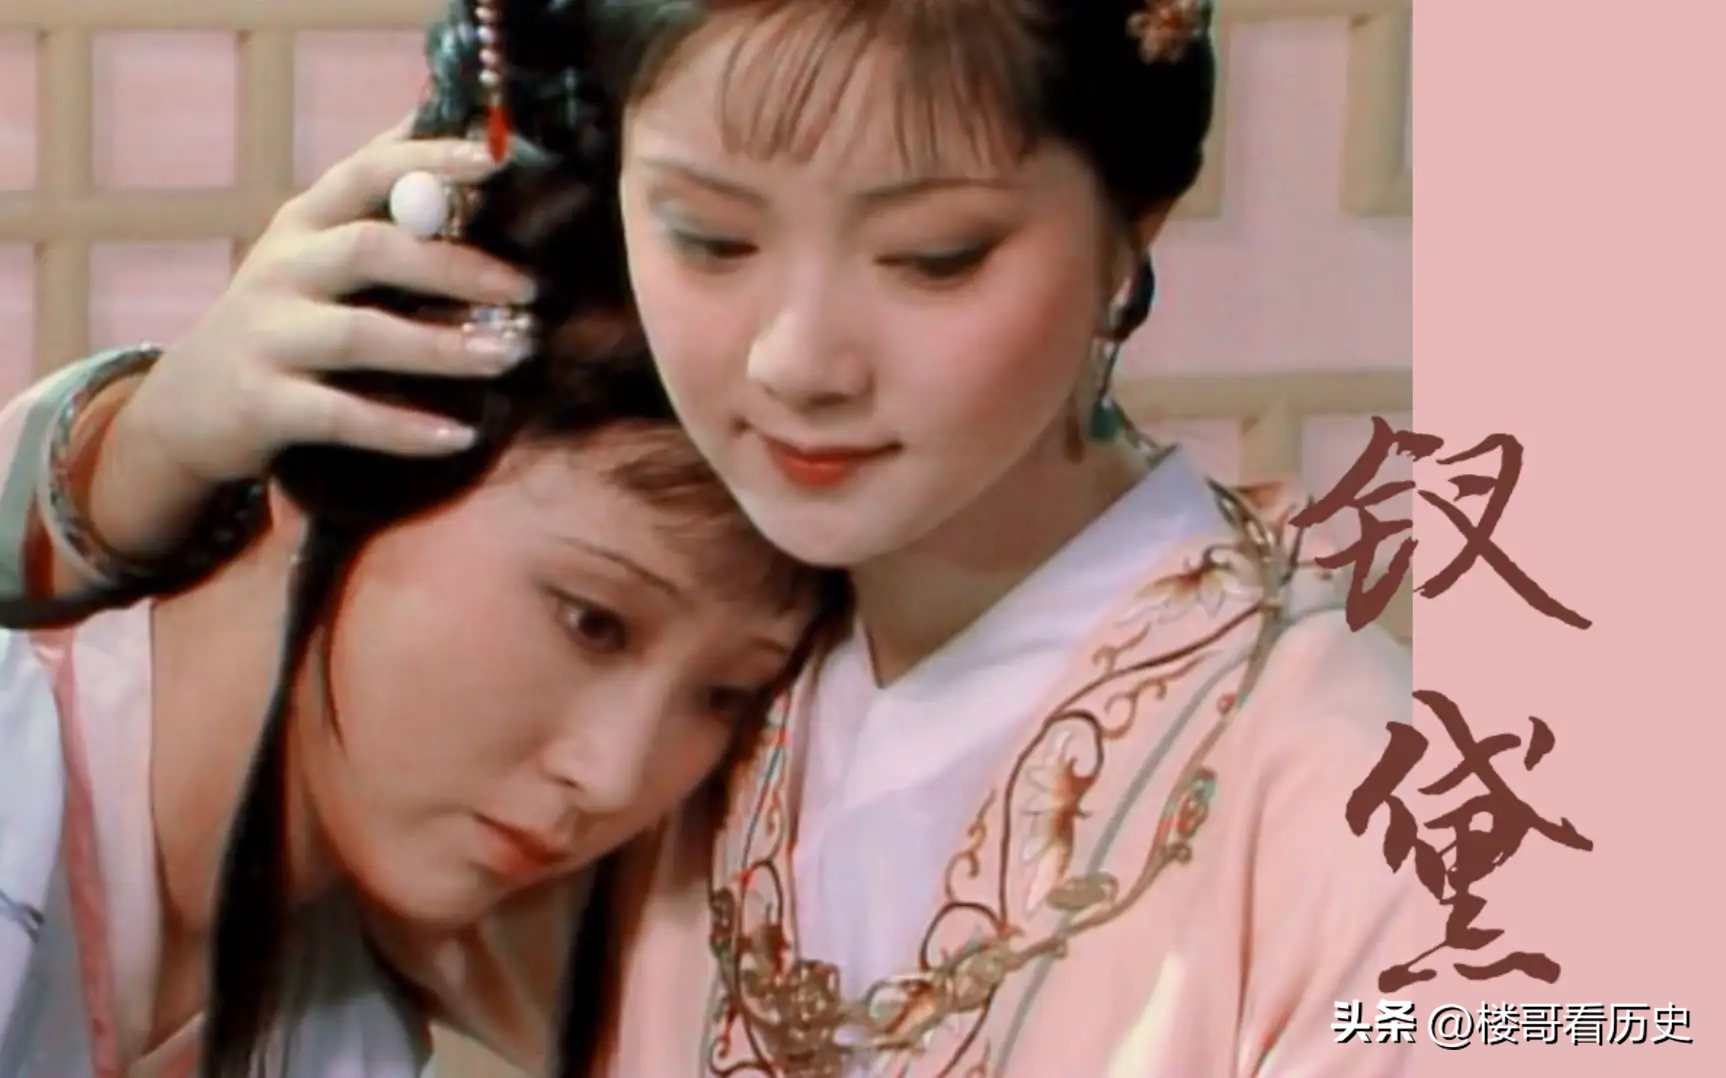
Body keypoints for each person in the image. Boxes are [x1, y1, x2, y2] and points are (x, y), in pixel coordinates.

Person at [3, 0, 1423, 1075]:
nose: (796, 362)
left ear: (1132, 224)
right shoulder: (658, 674)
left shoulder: (1353, 804)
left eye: (934, 255)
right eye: (706, 237)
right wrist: (139, 450)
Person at [0, 3, 840, 1077]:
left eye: (724, 694)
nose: (615, 775)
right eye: (591, 621)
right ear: (352, 435)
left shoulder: (347, 1007)